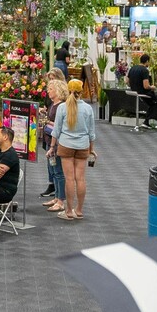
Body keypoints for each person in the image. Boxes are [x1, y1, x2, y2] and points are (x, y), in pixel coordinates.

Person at [48, 79, 96, 221]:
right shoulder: (88, 108)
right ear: (81, 91)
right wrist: (91, 150)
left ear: (68, 90)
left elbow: (56, 131)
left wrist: (51, 147)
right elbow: (92, 133)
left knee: (69, 178)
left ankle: (68, 211)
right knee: (80, 178)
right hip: (83, 146)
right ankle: (79, 210)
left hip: (65, 145)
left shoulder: (63, 107)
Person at [41, 79, 68, 213]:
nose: (48, 91)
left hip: (56, 143)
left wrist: (48, 123)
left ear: (57, 91)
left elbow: (60, 127)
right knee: (53, 171)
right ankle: (57, 196)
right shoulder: (53, 104)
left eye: (51, 89)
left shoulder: (60, 107)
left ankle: (61, 200)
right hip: (49, 140)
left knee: (58, 172)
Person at [127, 53, 157, 128]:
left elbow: (127, 81)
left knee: (152, 104)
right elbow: (146, 86)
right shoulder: (145, 70)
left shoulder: (132, 68)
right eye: (149, 62)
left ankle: (146, 122)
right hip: (143, 92)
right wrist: (152, 87)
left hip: (134, 91)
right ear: (147, 61)